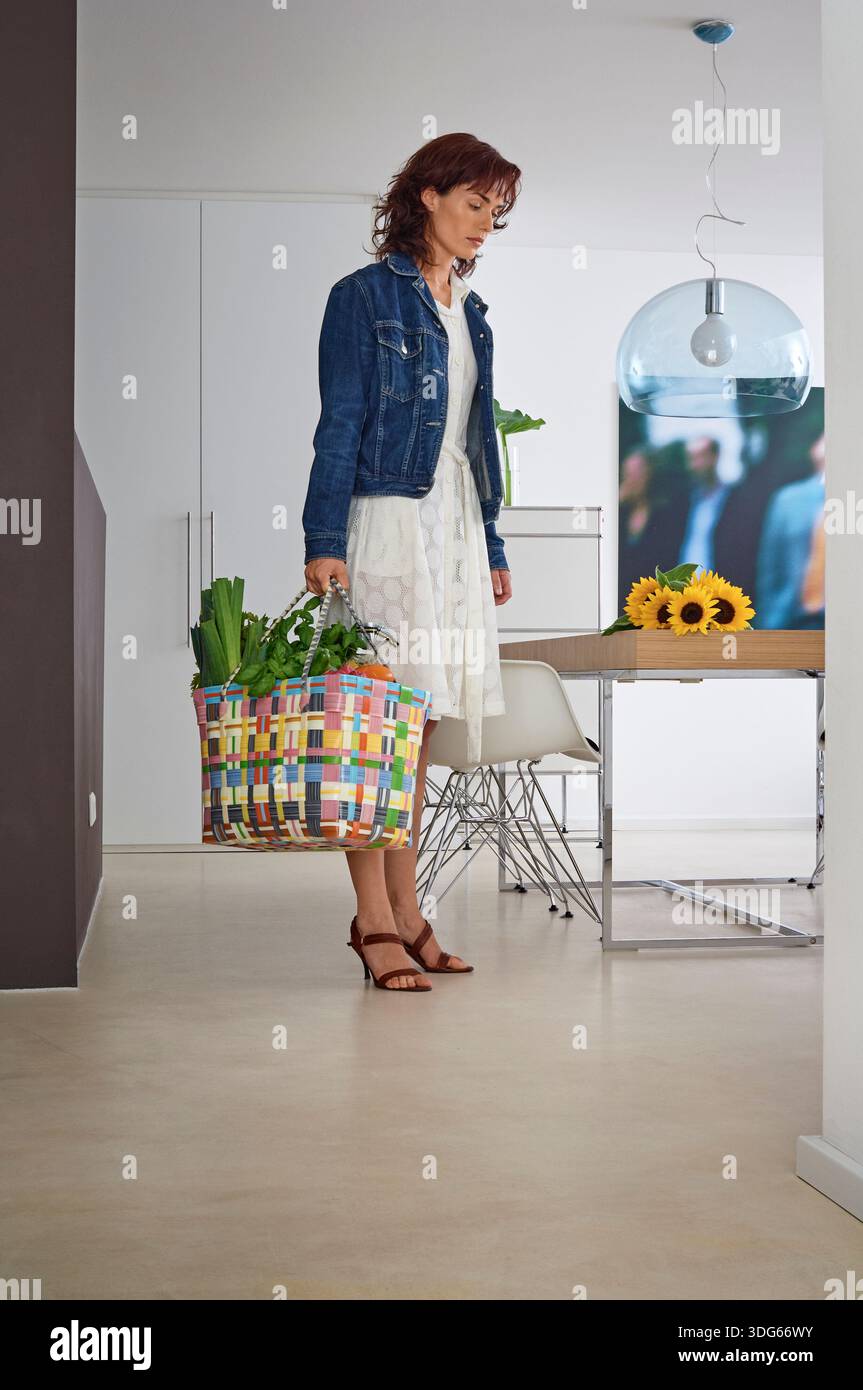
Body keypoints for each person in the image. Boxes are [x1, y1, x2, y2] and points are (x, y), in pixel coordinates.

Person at [301, 133, 521, 993]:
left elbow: (477, 435)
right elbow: (339, 422)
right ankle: (375, 922)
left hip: (455, 527)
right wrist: (323, 538)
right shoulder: (361, 299)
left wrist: (491, 541)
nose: (484, 228)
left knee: (418, 731)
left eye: (496, 216)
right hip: (387, 520)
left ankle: (404, 911)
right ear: (427, 197)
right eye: (475, 207)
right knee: (376, 724)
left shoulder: (470, 311)